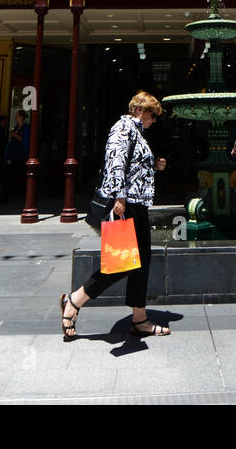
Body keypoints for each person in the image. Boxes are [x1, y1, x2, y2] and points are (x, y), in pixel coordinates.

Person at [60, 91, 170, 339]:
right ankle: (74, 301)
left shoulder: (137, 132)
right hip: (125, 205)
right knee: (120, 263)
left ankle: (139, 319)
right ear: (140, 110)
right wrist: (119, 196)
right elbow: (115, 161)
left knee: (141, 262)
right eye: (152, 115)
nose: (153, 120)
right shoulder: (123, 127)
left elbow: (131, 165)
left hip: (137, 205)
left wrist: (154, 166)